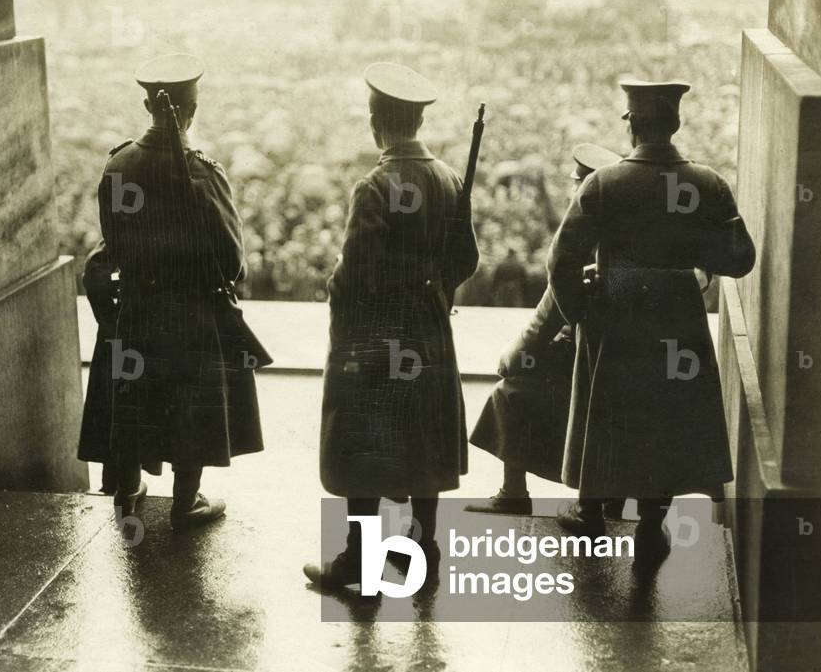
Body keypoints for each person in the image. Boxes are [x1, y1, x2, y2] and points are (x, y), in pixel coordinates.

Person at [547, 80, 756, 561]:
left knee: (611, 408)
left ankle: (592, 513)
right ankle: (651, 524)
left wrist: (575, 313)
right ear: (674, 123)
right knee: (664, 411)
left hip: (616, 304)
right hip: (678, 308)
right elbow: (740, 257)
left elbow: (561, 258)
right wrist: (691, 259)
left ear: (634, 124)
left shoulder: (604, 183)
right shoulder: (708, 182)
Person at [304, 62, 479, 588]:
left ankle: (359, 557)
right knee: (423, 436)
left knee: (366, 443)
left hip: (377, 331)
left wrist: (341, 325)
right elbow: (467, 259)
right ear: (418, 122)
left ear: (376, 120)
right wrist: (436, 287)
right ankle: (422, 549)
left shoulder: (375, 185)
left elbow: (356, 271)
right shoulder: (449, 179)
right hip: (426, 326)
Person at [95, 54, 268, 529]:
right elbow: (232, 262)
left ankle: (127, 490)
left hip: (136, 308)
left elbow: (112, 241)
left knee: (136, 395)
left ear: (147, 104)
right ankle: (185, 501)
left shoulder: (118, 164)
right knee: (191, 401)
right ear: (192, 110)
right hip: (191, 314)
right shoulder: (204, 172)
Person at [466, 144, 625, 518]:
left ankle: (513, 492)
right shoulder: (624, 232)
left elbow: (552, 308)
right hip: (623, 357)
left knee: (512, 390)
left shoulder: (584, 237)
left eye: (576, 185)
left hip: (583, 356)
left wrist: (516, 354)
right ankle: (608, 499)